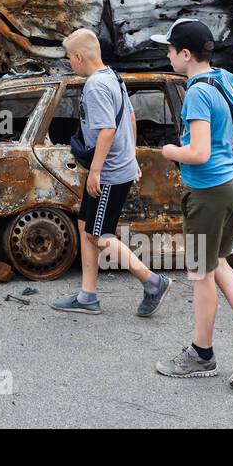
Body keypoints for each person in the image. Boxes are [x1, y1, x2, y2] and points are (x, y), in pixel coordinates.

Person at [151, 18, 233, 389]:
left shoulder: (196, 92)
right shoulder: (223, 78)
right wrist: (229, 127)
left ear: (186, 54)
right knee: (219, 264)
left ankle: (201, 354)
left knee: (201, 275)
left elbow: (197, 152)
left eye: (170, 49)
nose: (167, 55)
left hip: (208, 194)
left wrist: (169, 150)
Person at [51, 29, 171, 317]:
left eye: (70, 59)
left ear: (79, 57)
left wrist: (95, 171)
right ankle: (87, 295)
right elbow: (129, 117)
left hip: (108, 173)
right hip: (118, 166)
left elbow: (108, 129)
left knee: (99, 234)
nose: (71, 64)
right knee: (85, 225)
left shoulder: (95, 86)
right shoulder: (113, 76)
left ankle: (152, 281)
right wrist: (132, 156)